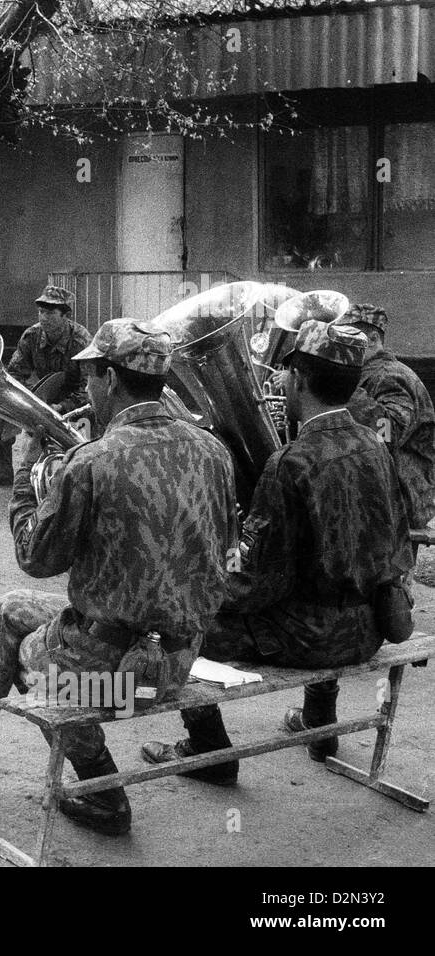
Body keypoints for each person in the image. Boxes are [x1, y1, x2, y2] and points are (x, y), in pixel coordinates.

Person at [0, 319, 238, 836]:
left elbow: (35, 557)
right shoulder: (215, 453)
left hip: (119, 677)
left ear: (109, 378)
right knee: (14, 607)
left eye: (91, 379)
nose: (87, 390)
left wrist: (26, 482)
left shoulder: (91, 462)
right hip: (181, 659)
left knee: (25, 647)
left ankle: (101, 794)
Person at [143, 320, 414, 776]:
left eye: (287, 375)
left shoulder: (291, 462)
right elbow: (395, 545)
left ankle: (210, 752)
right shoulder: (374, 444)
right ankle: (320, 729)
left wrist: (200, 579)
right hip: (369, 629)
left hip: (314, 639)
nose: (282, 382)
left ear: (301, 380)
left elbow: (257, 585)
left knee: (174, 626)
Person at [341, 304, 435, 556]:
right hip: (387, 494)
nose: (342, 346)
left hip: (398, 500)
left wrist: (341, 388)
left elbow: (388, 434)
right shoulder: (372, 374)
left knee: (389, 585)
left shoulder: (390, 376)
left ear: (373, 339)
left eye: (350, 338)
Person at [0, 285, 91, 488]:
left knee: (90, 420)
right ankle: (3, 468)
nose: (43, 317)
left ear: (65, 315)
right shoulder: (31, 336)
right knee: (0, 401)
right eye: (41, 311)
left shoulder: (81, 341)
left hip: (74, 400)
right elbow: (15, 373)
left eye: (51, 312)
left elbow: (88, 388)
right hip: (44, 395)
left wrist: (63, 407)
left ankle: (82, 474)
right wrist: (22, 403)